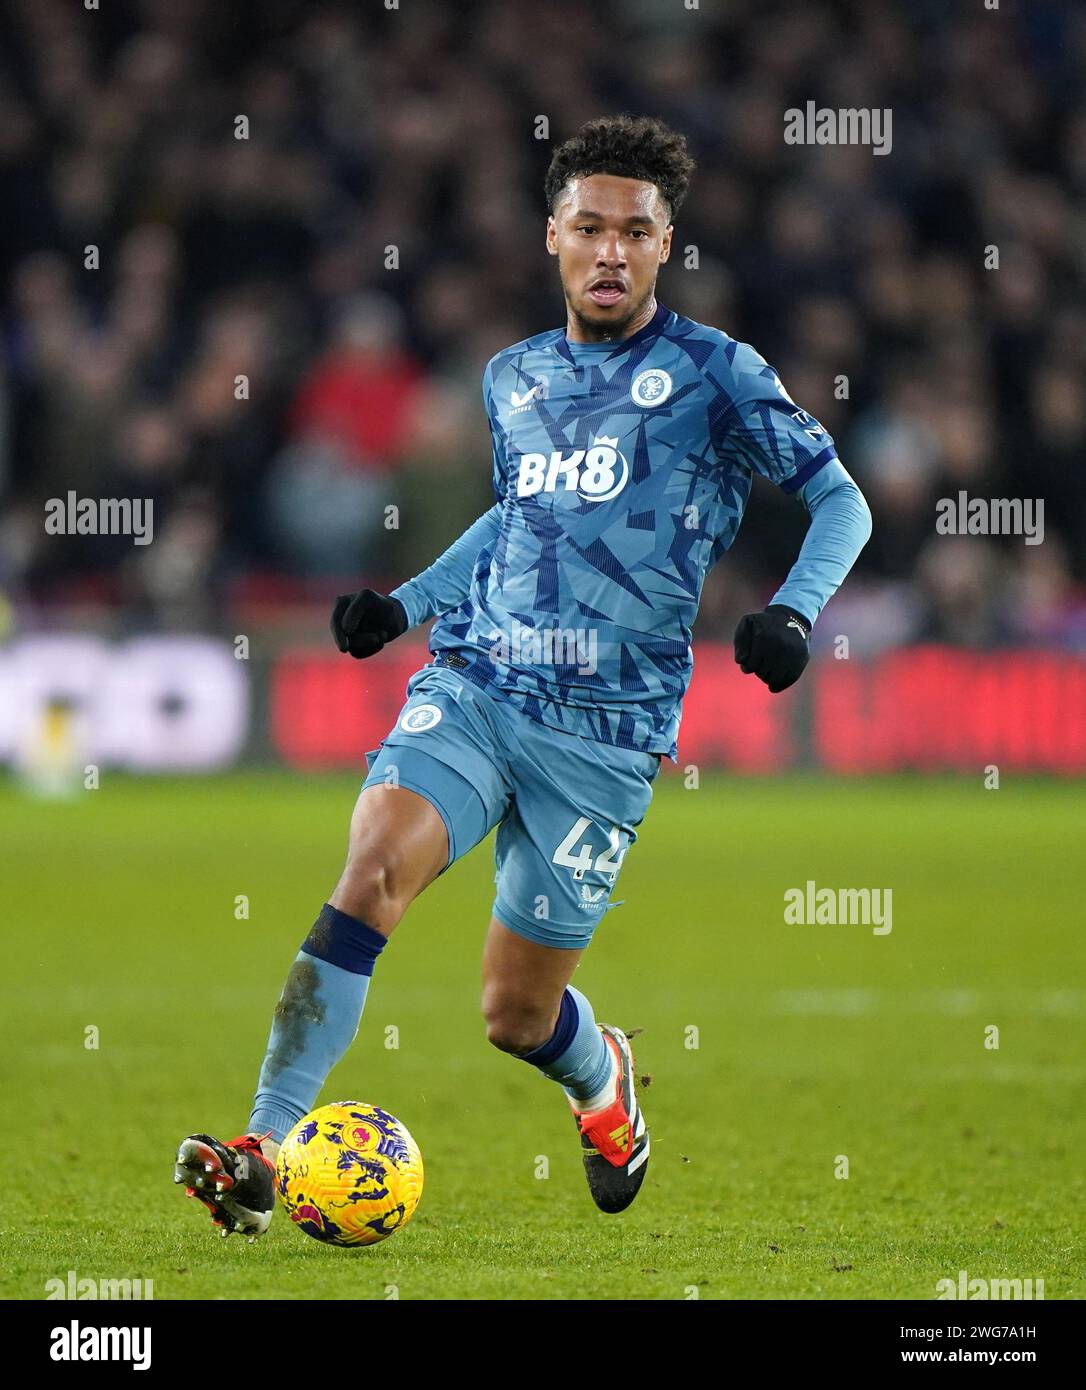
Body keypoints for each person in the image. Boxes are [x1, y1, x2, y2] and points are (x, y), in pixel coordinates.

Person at [174, 114, 872, 1236]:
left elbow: (843, 497)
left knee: (514, 1011)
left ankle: (603, 1081)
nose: (609, 250)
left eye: (633, 232)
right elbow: (520, 519)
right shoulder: (515, 378)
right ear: (552, 236)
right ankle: (263, 1142)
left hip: (605, 736)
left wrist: (794, 611)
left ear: (663, 246)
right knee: (369, 872)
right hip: (481, 684)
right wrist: (410, 604)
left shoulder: (716, 373)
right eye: (588, 226)